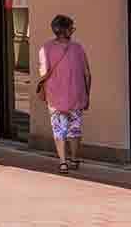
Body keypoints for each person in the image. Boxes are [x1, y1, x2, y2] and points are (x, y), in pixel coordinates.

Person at [39, 14, 91, 174]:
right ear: (67, 30)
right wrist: (87, 94)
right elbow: (87, 74)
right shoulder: (78, 48)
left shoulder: (45, 48)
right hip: (76, 95)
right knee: (74, 129)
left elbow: (43, 72)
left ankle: (62, 162)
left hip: (54, 97)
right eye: (71, 28)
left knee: (58, 129)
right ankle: (74, 159)